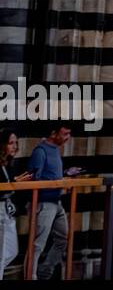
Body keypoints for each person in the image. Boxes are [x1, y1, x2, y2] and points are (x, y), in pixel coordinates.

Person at [28, 120, 82, 280]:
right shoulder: (41, 151)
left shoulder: (55, 150)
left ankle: (44, 272)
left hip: (56, 201)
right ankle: (31, 276)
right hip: (43, 202)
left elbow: (50, 173)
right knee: (37, 244)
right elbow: (33, 177)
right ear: (53, 134)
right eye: (65, 134)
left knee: (63, 238)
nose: (68, 137)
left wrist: (65, 173)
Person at [0, 127, 32, 280]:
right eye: (10, 143)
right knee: (1, 253)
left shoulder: (7, 164)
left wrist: (15, 182)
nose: (14, 146)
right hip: (1, 210)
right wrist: (13, 183)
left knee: (11, 251)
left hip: (7, 210)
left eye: (16, 143)